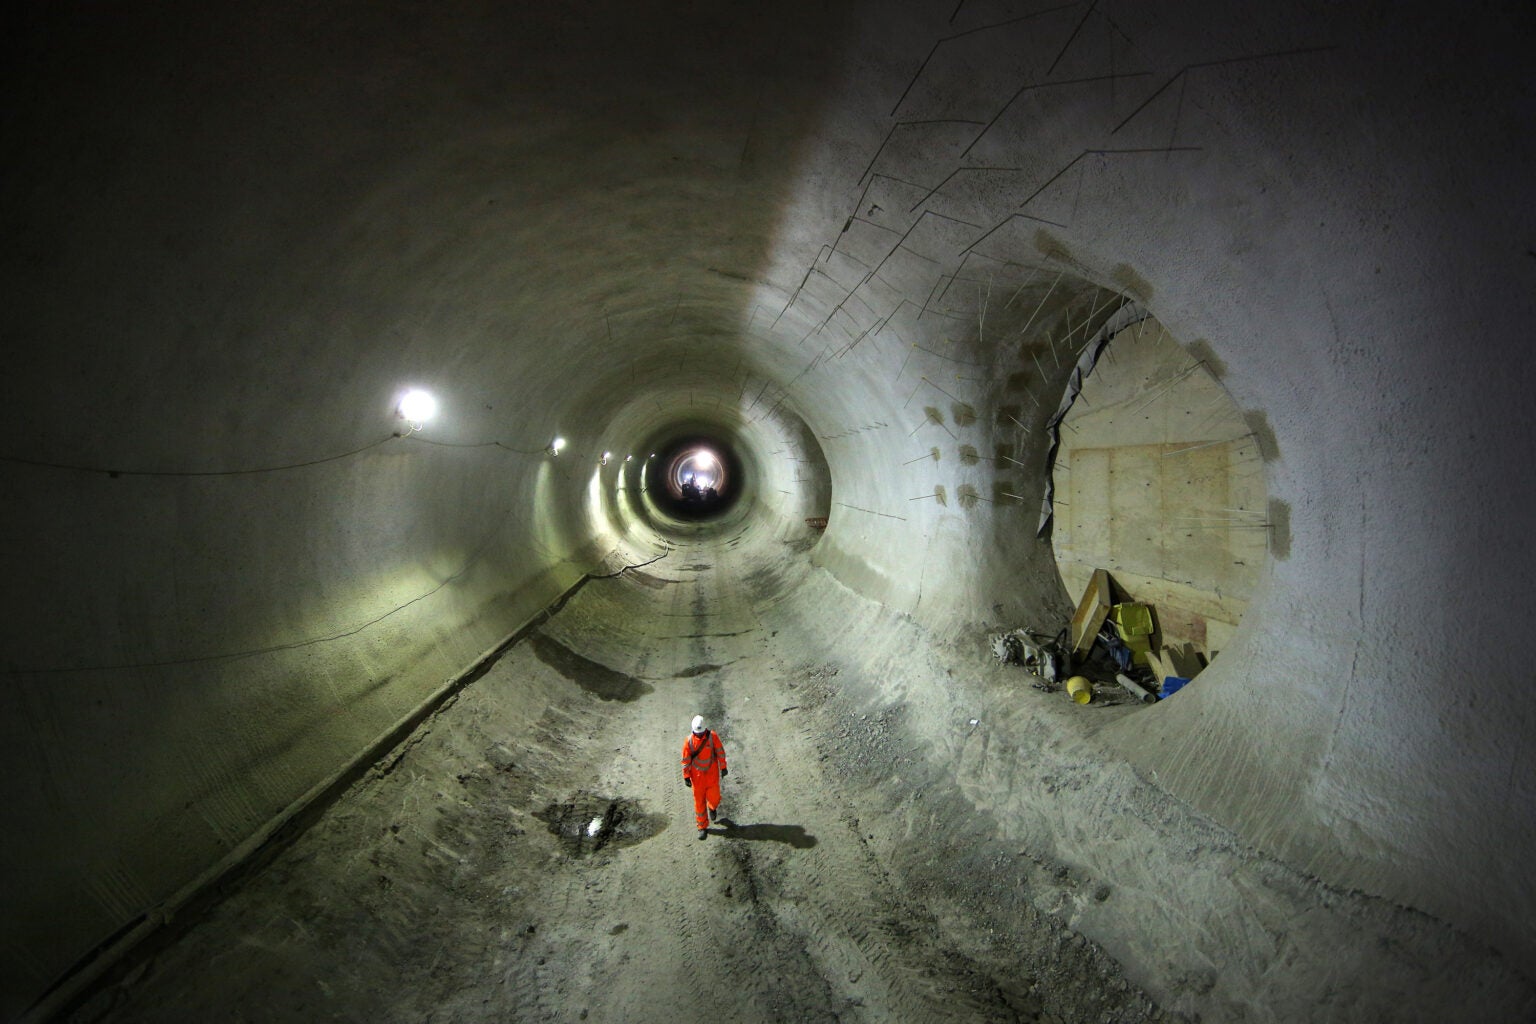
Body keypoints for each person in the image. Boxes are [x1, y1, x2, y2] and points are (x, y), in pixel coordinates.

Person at [681, 714, 728, 839]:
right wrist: (686, 776)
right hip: (697, 778)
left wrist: (723, 767)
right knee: (699, 803)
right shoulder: (689, 741)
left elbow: (720, 752)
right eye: (698, 733)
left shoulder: (712, 737)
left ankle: (712, 807)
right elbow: (686, 760)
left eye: (701, 733)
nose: (700, 735)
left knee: (715, 797)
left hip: (712, 775)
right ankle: (702, 827)